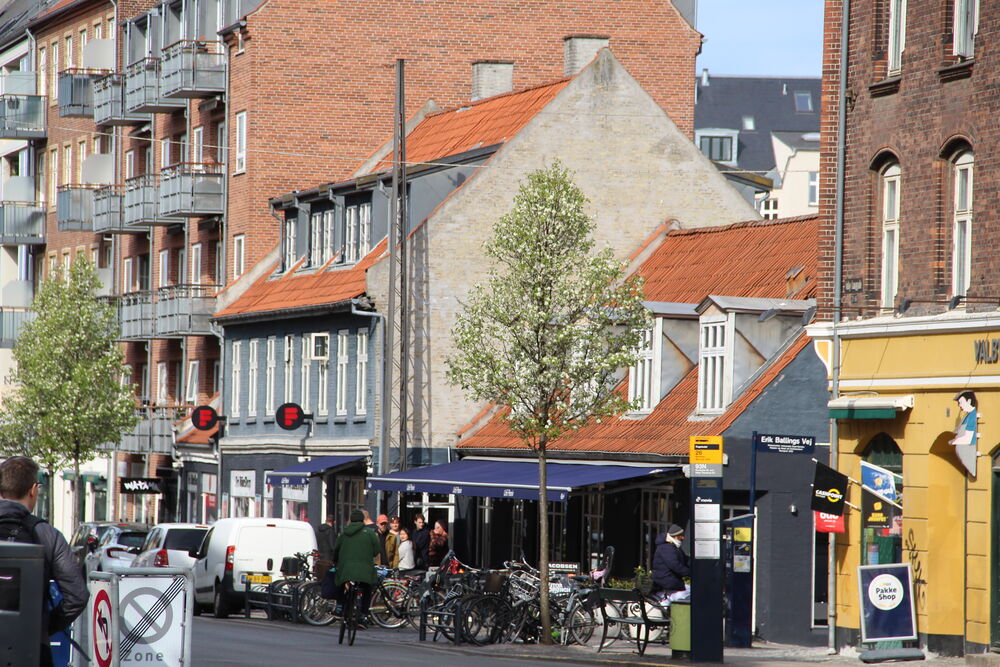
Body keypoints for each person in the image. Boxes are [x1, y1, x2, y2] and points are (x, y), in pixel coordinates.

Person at [0, 456, 88, 667]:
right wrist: (43, 626)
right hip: (31, 647)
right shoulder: (47, 534)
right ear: (33, 490)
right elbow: (77, 595)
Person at [333, 509, 380, 623]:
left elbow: (336, 550)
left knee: (340, 582)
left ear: (351, 520)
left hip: (346, 569)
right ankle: (364, 614)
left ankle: (339, 606)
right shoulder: (369, 533)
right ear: (363, 520)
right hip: (365, 569)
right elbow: (376, 550)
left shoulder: (344, 533)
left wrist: (335, 561)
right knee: (367, 589)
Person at [651, 524, 690, 602]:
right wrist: (691, 573)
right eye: (680, 535)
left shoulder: (674, 546)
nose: (683, 537)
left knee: (688, 590)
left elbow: (686, 560)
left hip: (671, 580)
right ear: (675, 536)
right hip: (666, 580)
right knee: (690, 592)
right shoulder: (666, 548)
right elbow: (675, 565)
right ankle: (666, 604)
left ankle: (667, 602)